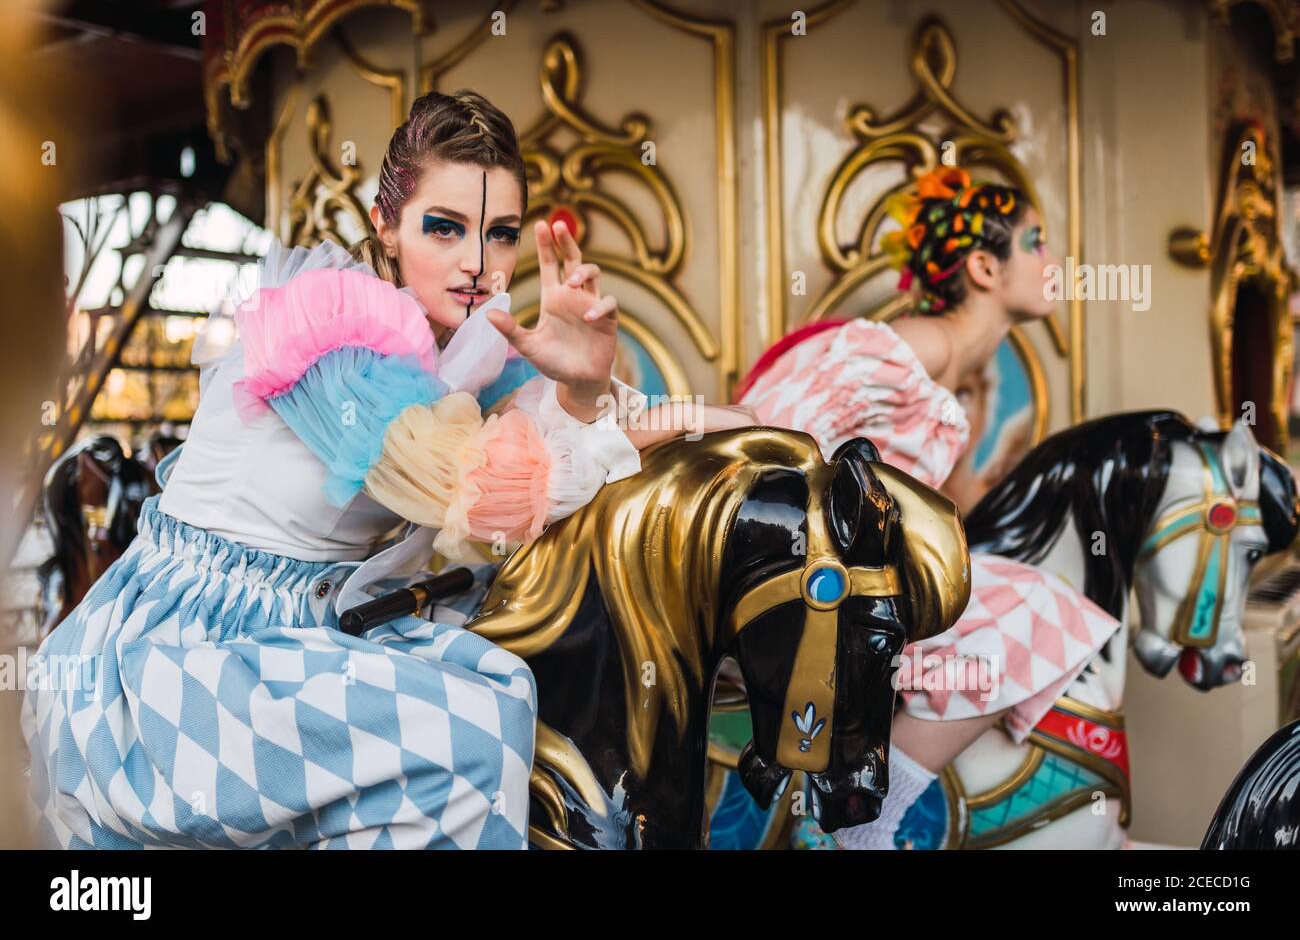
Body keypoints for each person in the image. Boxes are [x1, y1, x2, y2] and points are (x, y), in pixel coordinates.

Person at [21, 89, 752, 850]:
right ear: (386, 226)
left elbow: (641, 426)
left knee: (516, 673)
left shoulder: (462, 350)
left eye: (499, 235)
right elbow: (472, 487)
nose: (475, 263)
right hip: (188, 655)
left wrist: (780, 444)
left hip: (306, 626)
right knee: (476, 727)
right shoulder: (332, 330)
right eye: (444, 228)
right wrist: (584, 398)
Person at [736, 167, 1120, 849]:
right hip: (808, 578)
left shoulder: (954, 376)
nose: (1052, 261)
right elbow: (772, 435)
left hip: (862, 580)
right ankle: (863, 818)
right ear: (983, 267)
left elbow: (950, 512)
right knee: (1042, 603)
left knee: (1017, 589)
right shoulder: (914, 348)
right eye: (1035, 242)